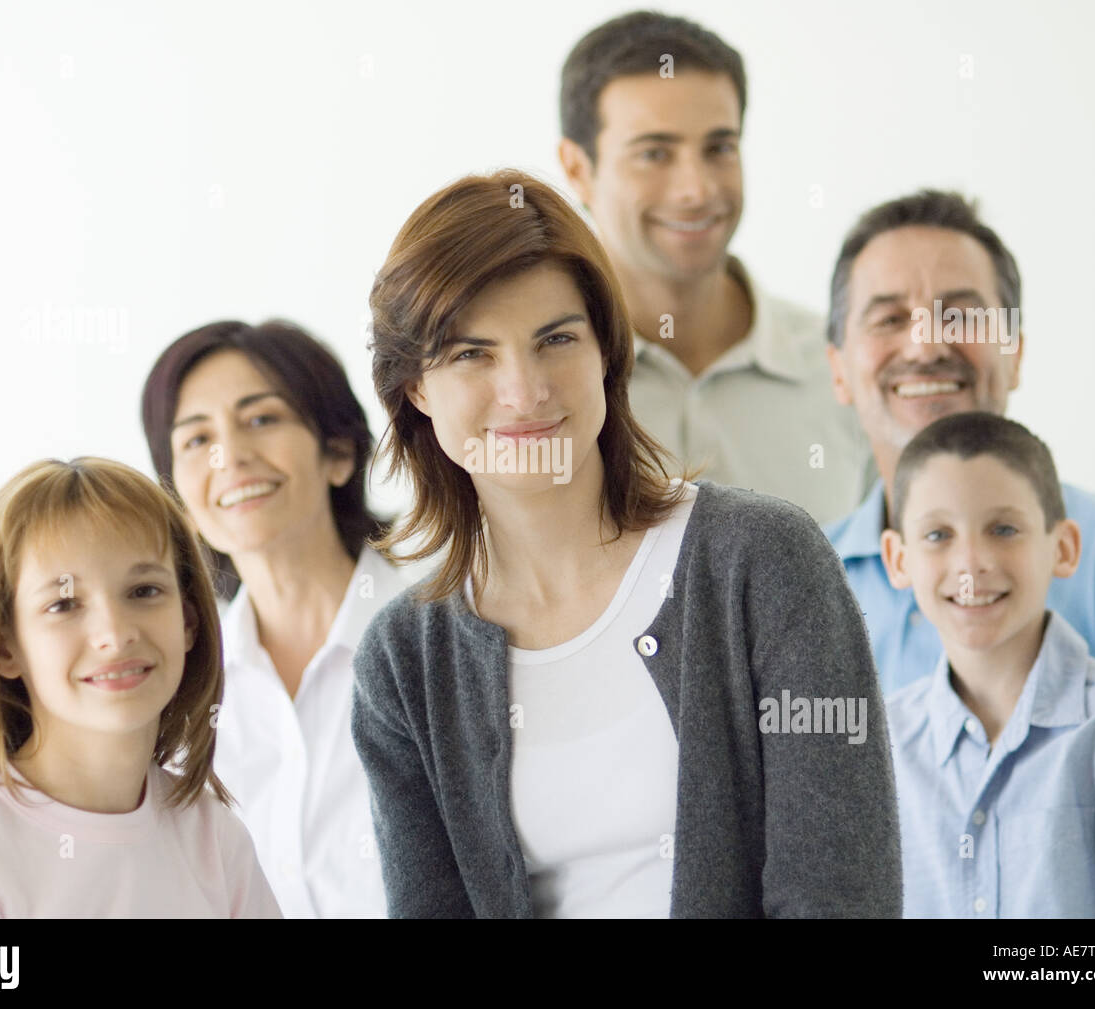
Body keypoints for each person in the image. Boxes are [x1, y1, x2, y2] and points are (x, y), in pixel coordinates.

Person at [351, 169, 900, 918]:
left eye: (556, 339)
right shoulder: (403, 662)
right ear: (415, 387)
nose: (524, 389)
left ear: (606, 353)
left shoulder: (763, 563)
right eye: (471, 354)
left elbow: (842, 897)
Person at [0, 458, 280, 918]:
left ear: (188, 621)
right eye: (64, 604)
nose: (115, 633)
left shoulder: (215, 841)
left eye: (144, 591)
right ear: (3, 648)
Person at [823, 190, 1095, 698]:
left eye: (961, 316)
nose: (926, 347)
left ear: (1016, 354)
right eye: (890, 320)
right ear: (838, 371)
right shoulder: (801, 582)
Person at [558, 11, 873, 525]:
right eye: (654, 153)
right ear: (578, 169)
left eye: (719, 148)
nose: (696, 190)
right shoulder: (533, 384)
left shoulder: (842, 369)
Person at [142, 318, 405, 918]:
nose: (229, 455)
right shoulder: (175, 691)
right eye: (195, 439)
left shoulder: (443, 630)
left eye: (262, 419)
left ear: (338, 453)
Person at [879, 412, 1095, 917]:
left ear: (1063, 548)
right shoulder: (880, 747)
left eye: (1004, 528)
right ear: (897, 560)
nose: (971, 564)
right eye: (937, 535)